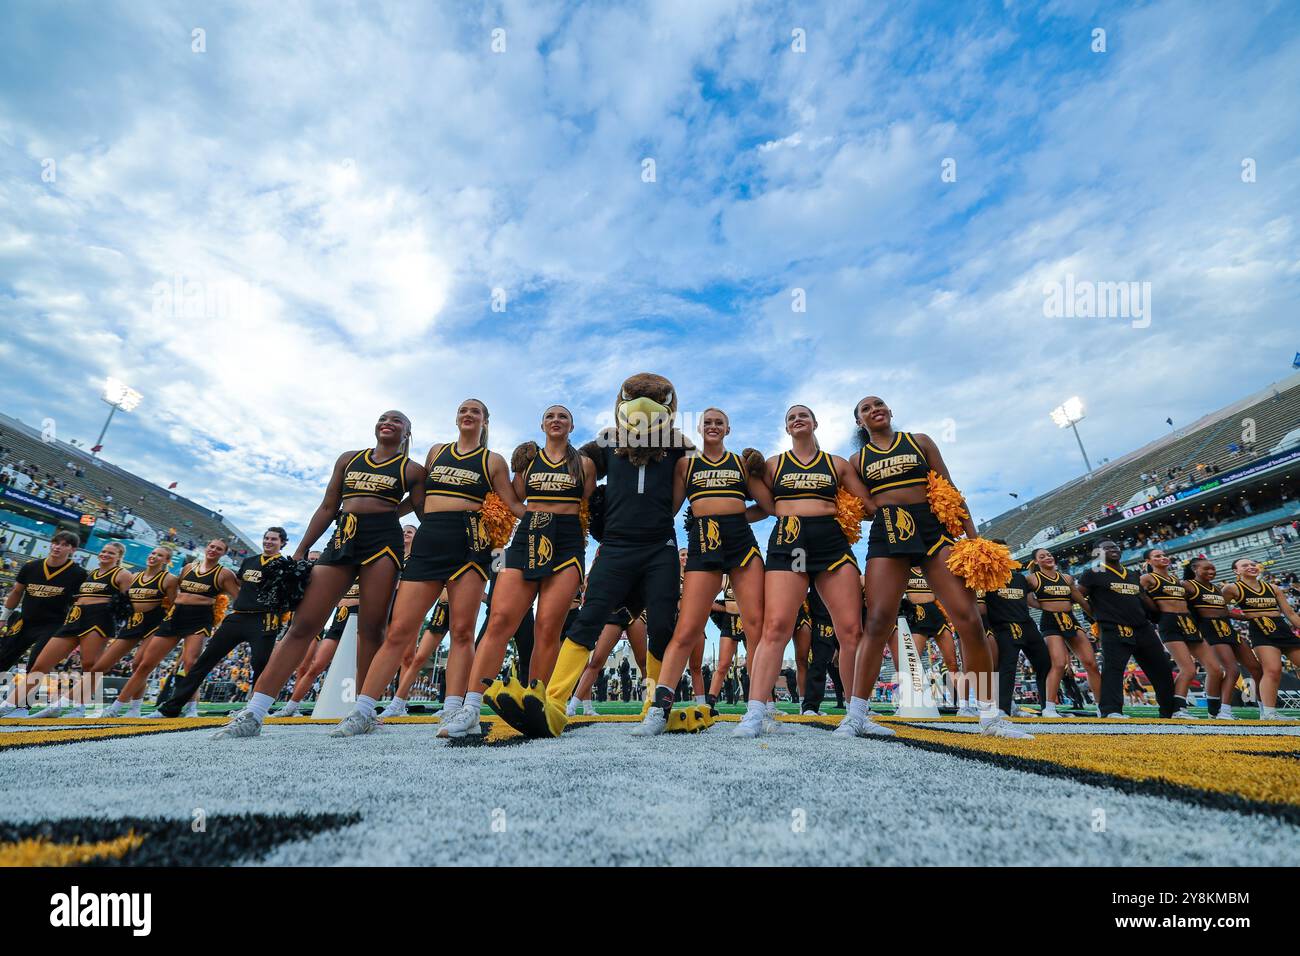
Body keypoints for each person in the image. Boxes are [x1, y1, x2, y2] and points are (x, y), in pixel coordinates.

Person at [214, 410, 422, 739]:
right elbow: (328, 507)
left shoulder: (411, 469)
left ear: (407, 433)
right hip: (343, 538)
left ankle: (363, 710)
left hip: (384, 542)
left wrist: (392, 513)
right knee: (304, 624)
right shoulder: (349, 459)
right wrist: (300, 550)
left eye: (397, 420)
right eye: (384, 417)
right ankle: (254, 712)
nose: (389, 422)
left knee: (371, 628)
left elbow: (422, 508)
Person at [850, 396, 1027, 738]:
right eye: (866, 408)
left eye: (879, 404)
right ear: (860, 422)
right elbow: (866, 507)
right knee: (876, 622)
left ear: (890, 410)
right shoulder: (858, 460)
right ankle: (856, 715)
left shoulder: (920, 441)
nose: (875, 409)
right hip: (889, 531)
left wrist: (973, 538)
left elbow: (949, 489)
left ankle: (990, 716)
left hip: (933, 530)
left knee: (968, 619)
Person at [440, 406, 593, 738]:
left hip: (567, 542)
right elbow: (513, 499)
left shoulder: (584, 463)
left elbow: (587, 501)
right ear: (541, 424)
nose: (556, 420)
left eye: (563, 417)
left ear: (571, 426)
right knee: (499, 620)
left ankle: (535, 701)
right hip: (527, 537)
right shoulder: (528, 461)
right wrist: (530, 515)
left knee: (548, 627)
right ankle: (470, 707)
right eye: (550, 416)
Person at [635, 408, 770, 736]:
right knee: (687, 629)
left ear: (728, 428)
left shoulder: (740, 463)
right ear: (700, 427)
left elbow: (768, 505)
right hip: (703, 542)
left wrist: (735, 517)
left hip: (741, 542)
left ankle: (761, 708)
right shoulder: (686, 464)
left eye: (719, 422)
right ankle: (658, 710)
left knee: (756, 626)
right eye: (707, 422)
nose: (713, 426)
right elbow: (671, 508)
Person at [150, 528, 292, 718]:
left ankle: (255, 710)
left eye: (273, 539)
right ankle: (170, 708)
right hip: (238, 616)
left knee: (261, 665)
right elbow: (240, 586)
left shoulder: (285, 565)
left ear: (282, 542)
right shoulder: (249, 561)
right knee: (204, 661)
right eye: (266, 538)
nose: (268, 541)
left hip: (264, 619)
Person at [111, 539, 239, 717]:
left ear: (223, 553)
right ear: (206, 548)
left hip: (199, 618)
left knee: (190, 664)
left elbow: (238, 596)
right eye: (211, 546)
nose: (213, 550)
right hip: (176, 615)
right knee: (145, 664)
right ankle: (117, 708)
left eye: (218, 549)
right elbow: (172, 591)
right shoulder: (188, 568)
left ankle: (191, 709)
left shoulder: (225, 574)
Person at [2, 542, 130, 717]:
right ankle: (8, 705)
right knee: (40, 664)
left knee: (90, 666)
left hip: (98, 620)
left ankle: (79, 707)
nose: (105, 554)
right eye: (103, 551)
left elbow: (129, 604)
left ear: (119, 556)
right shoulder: (89, 574)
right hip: (74, 618)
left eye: (111, 552)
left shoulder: (122, 574)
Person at [1077, 540, 1176, 719]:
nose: (1113, 549)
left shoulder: (1132, 574)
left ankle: (1170, 710)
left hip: (1142, 627)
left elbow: (1143, 598)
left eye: (1115, 547)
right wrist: (1095, 615)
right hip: (1114, 627)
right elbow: (1078, 595)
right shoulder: (1092, 574)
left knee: (1161, 668)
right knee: (1113, 670)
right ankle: (1111, 711)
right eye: (1107, 548)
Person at [83, 545, 178, 717]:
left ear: (167, 561)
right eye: (153, 553)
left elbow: (174, 606)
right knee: (101, 665)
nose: (154, 557)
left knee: (138, 664)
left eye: (160, 555)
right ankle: (78, 704)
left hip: (155, 626)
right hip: (133, 623)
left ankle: (127, 708)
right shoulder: (134, 576)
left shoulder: (169, 579)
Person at [1140, 548, 1219, 719]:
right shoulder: (1148, 578)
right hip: (1169, 623)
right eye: (1157, 556)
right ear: (1148, 562)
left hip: (1188, 622)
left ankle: (1215, 712)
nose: (1163, 558)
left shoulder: (1177, 580)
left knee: (1214, 668)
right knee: (1188, 669)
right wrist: (1153, 611)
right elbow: (1137, 595)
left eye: (1164, 555)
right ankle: (1178, 710)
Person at [0, 531, 86, 682]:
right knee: (3, 655)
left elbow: (80, 603)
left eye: (64, 545)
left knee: (37, 662)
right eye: (56, 542)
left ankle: (23, 703)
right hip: (25, 620)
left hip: (53, 624)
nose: (57, 547)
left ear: (73, 550)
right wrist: (3, 618)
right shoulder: (31, 567)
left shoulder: (79, 574)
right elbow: (16, 592)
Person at [1223, 558, 1300, 720]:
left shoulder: (1273, 588)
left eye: (1252, 564)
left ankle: (1269, 713)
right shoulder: (1232, 588)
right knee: (1273, 670)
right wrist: (1242, 617)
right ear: (1236, 571)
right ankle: (1270, 714)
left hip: (1282, 628)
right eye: (1245, 565)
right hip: (1260, 630)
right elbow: (1217, 609)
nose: (1251, 567)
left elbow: (1290, 614)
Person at [1027, 548, 1101, 716]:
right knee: (1059, 664)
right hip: (1050, 621)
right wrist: (1044, 606)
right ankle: (1049, 708)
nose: (1048, 557)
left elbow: (1080, 600)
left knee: (1091, 663)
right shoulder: (1032, 579)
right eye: (1042, 556)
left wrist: (1097, 619)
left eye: (1049, 554)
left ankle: (1101, 706)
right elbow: (1028, 599)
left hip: (1070, 619)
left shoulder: (1067, 578)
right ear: (1036, 562)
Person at [1184, 557, 1260, 720]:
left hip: (1228, 629)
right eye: (1206, 569)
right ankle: (1223, 712)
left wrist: (1245, 617)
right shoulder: (1188, 585)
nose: (1211, 571)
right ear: (1194, 569)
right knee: (1232, 670)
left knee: (1256, 667)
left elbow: (1224, 611)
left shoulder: (1217, 589)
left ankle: (1266, 711)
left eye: (1213, 568)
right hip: (1210, 630)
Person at [977, 566, 1054, 719]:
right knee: (1007, 666)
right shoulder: (986, 577)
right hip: (1004, 625)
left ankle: (1048, 708)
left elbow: (1031, 600)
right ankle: (1004, 709)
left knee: (1045, 663)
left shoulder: (1020, 578)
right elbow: (981, 607)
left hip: (1027, 623)